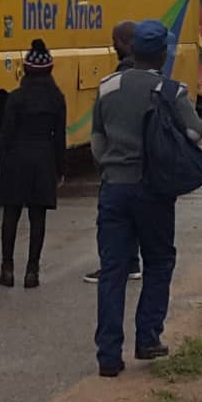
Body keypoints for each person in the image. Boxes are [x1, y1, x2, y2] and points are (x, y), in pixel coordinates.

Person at [91, 20, 202, 378]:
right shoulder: (171, 91)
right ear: (161, 54)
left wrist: (112, 165)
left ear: (133, 50)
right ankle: (148, 338)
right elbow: (195, 132)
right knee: (158, 262)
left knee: (113, 270)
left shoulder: (107, 87)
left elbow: (97, 140)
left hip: (113, 189)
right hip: (154, 192)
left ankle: (108, 356)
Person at [0, 39, 67, 290]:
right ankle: (32, 272)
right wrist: (60, 169)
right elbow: (59, 138)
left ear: (26, 70)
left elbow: (6, 136)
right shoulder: (57, 99)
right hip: (43, 161)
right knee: (37, 218)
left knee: (11, 216)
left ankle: (7, 270)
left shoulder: (16, 98)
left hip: (15, 160)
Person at [84, 21, 143, 284]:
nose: (113, 46)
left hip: (116, 173)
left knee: (111, 226)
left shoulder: (109, 86)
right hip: (146, 173)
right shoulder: (157, 83)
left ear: (123, 43)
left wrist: (103, 166)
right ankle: (133, 264)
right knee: (138, 221)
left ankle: (113, 268)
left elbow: (98, 138)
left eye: (115, 41)